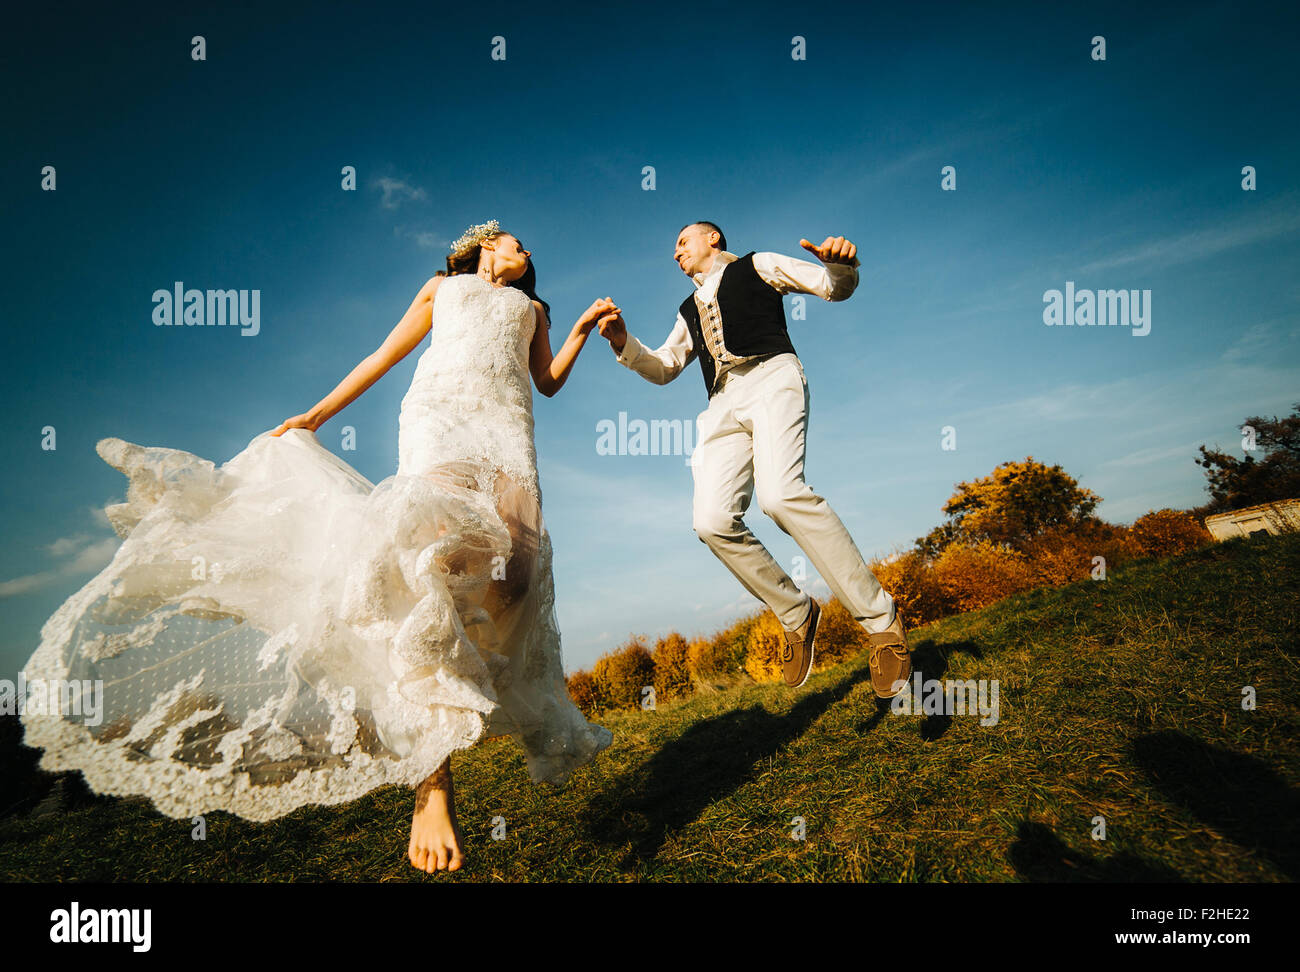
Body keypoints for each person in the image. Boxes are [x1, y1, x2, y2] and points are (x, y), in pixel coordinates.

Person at [19, 219, 615, 874]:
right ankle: (432, 783)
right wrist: (315, 416)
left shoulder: (533, 309)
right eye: (513, 240)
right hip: (439, 420)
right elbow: (381, 358)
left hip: (507, 431)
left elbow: (548, 382)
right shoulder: (441, 290)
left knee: (516, 580)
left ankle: (448, 696)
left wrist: (584, 331)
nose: (525, 250)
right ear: (482, 247)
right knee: (431, 565)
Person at [595, 221, 911, 696]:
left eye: (683, 241)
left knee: (781, 496)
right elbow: (664, 368)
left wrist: (841, 267)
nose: (676, 252)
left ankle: (881, 623)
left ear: (713, 239)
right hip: (721, 404)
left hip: (772, 377)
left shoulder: (757, 265)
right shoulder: (688, 308)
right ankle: (796, 612)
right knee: (711, 521)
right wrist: (623, 342)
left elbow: (830, 287)